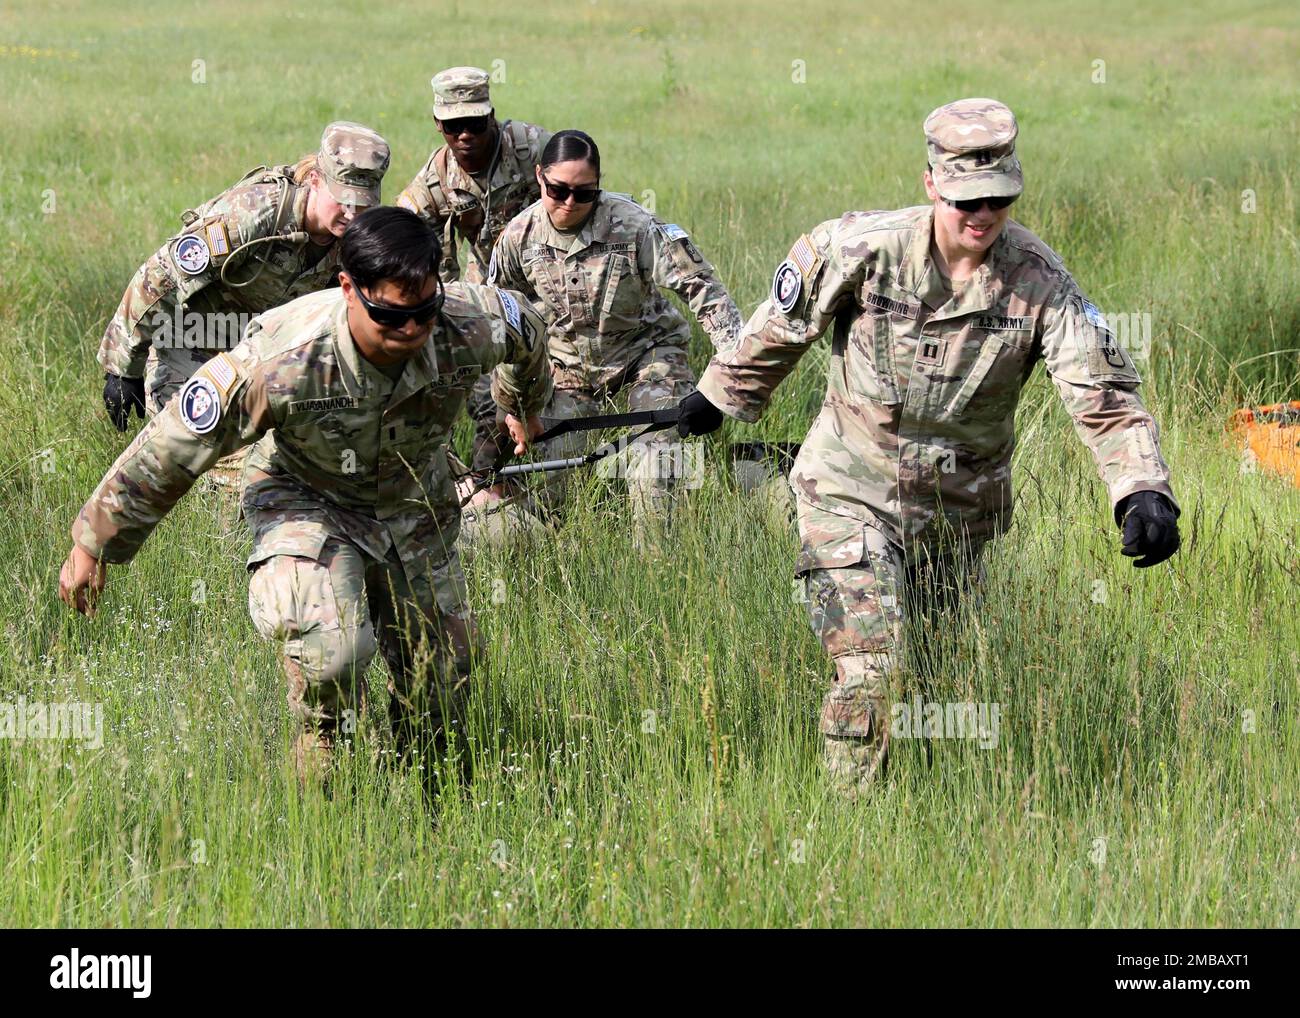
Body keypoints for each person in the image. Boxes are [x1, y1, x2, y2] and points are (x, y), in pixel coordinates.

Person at [676, 98, 1181, 798]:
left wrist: (1141, 489)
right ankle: (848, 837)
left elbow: (1101, 392)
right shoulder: (858, 249)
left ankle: (932, 805)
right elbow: (777, 330)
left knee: (941, 680)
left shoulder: (1039, 282)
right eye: (966, 199)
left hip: (958, 518)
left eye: (998, 200)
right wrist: (720, 396)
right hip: (849, 494)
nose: (982, 216)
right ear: (931, 185)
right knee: (871, 670)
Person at [60, 207, 550, 790]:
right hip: (305, 497)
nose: (414, 329)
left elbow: (530, 337)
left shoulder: (471, 320)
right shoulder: (284, 356)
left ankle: (424, 797)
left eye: (425, 311)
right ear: (349, 288)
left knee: (445, 679)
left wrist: (521, 406)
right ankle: (323, 783)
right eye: (393, 315)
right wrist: (94, 542)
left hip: (412, 500)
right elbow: (175, 444)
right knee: (335, 654)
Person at [483, 128, 743, 541]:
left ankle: (662, 566)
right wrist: (513, 406)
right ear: (539, 177)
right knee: (554, 484)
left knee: (659, 467)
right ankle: (568, 557)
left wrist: (734, 376)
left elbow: (703, 288)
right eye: (558, 190)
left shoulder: (633, 225)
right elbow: (500, 324)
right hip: (566, 370)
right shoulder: (518, 238)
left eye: (584, 193)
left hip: (646, 356)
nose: (570, 203)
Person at [99, 121, 391, 431]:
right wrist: (122, 368)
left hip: (264, 357)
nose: (352, 213)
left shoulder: (358, 237)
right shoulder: (254, 213)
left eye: (362, 203)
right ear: (316, 181)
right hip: (192, 345)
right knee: (196, 448)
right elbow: (160, 276)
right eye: (343, 200)